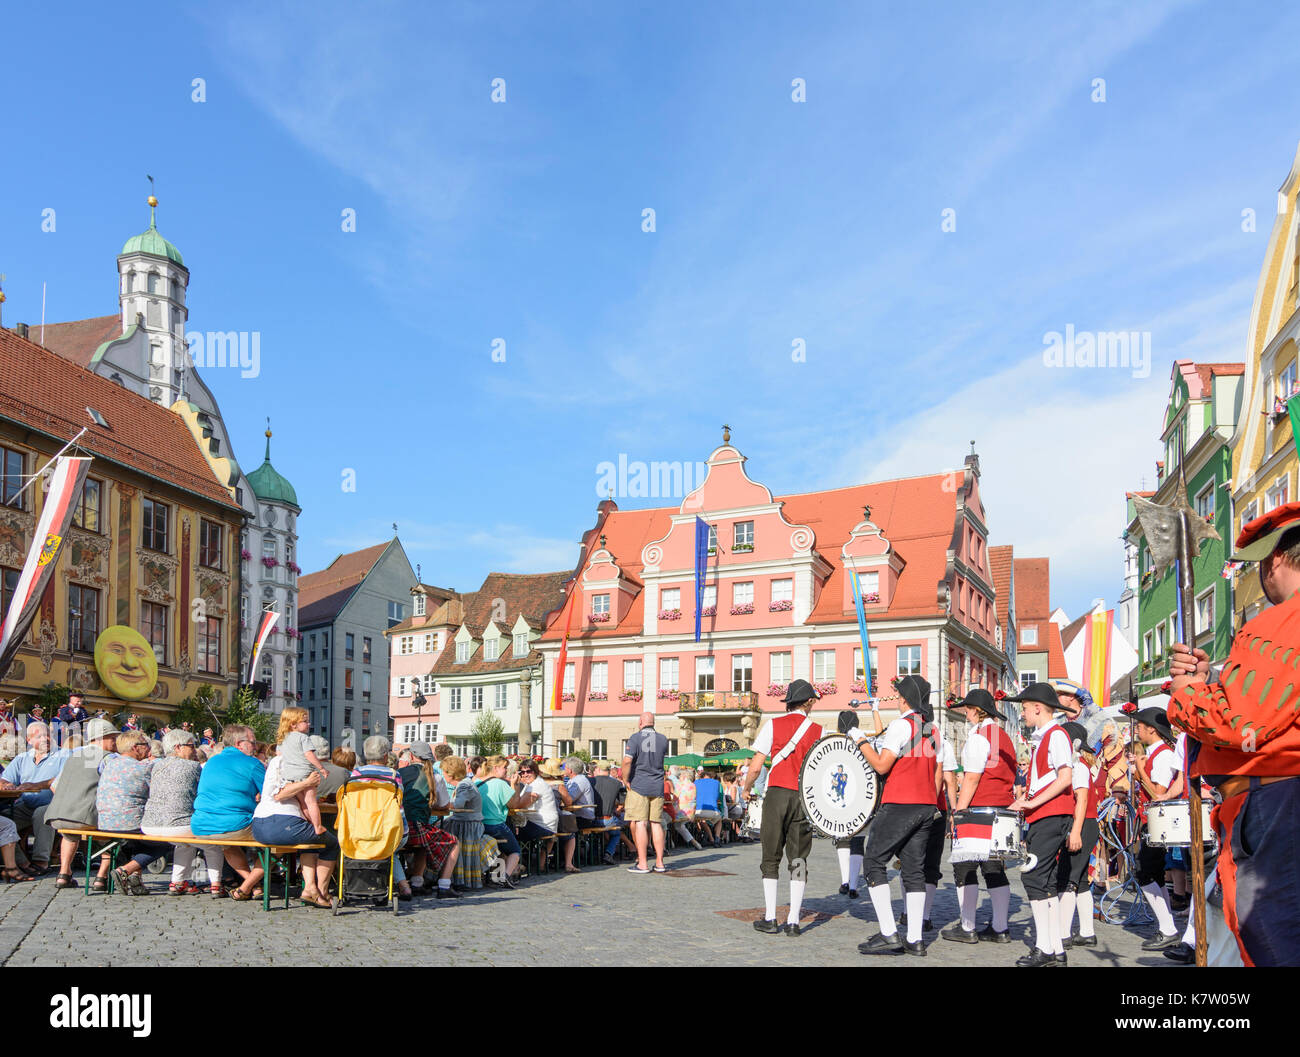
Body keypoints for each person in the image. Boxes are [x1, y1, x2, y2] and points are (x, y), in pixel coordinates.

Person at [1166, 504, 1300, 967]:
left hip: (1278, 802)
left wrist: (1187, 696)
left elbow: (1243, 723)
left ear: (1276, 560)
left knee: (1274, 940)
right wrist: (1211, 685)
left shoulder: (1281, 623)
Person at [846, 675, 941, 955]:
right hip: (926, 805)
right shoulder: (933, 729)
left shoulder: (902, 725)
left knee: (874, 861)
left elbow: (881, 765)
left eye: (899, 695)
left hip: (900, 802)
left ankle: (889, 933)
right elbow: (936, 771)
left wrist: (859, 738)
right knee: (914, 872)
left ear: (904, 699)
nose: (897, 699)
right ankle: (915, 939)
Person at [742, 678, 823, 937]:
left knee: (770, 855)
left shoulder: (773, 725)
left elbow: (756, 766)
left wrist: (746, 788)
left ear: (788, 702)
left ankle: (769, 917)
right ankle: (794, 921)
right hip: (803, 797)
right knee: (798, 858)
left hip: (777, 794)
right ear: (809, 701)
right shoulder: (819, 731)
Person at [1006, 682, 1075, 967]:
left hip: (1051, 815)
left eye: (1024, 709)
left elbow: (1065, 777)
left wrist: (1032, 803)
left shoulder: (1056, 735)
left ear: (1037, 708)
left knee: (1033, 877)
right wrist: (1026, 800)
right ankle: (1055, 949)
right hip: (1045, 815)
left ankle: (1044, 948)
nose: (1022, 714)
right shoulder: (1044, 737)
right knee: (1044, 881)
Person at [943, 688, 1016, 945]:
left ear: (975, 711)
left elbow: (972, 778)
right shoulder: (1003, 736)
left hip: (979, 810)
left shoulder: (979, 737)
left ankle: (967, 926)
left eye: (967, 709)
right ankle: (1000, 927)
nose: (965, 713)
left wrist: (958, 812)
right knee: (993, 868)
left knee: (964, 866)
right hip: (1001, 809)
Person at [1125, 705, 1184, 950]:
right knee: (1153, 872)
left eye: (1140, 725)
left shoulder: (1162, 755)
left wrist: (1139, 771)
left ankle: (1168, 927)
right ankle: (1166, 925)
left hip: (1157, 820)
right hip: (1150, 819)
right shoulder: (1155, 752)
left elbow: (1158, 793)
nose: (1137, 729)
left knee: (1145, 871)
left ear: (1152, 728)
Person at [141, 728, 226, 897]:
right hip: (178, 825)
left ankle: (177, 883)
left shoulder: (155, 765)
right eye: (191, 746)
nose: (195, 750)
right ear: (178, 747)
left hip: (149, 824)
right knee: (213, 845)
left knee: (184, 844)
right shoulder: (194, 766)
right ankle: (216, 884)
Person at [189, 724, 267, 901]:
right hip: (234, 825)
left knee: (228, 844)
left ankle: (252, 886)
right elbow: (271, 795)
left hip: (202, 826)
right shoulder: (253, 763)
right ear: (240, 743)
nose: (255, 747)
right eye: (253, 743)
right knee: (278, 843)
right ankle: (249, 885)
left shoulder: (212, 761)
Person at [252, 751, 336, 908]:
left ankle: (309, 888)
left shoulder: (275, 763)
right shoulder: (303, 769)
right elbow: (307, 803)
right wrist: (318, 826)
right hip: (285, 824)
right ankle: (322, 892)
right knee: (331, 843)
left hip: (258, 825)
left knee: (311, 841)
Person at [44, 717, 119, 891]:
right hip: (86, 819)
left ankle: (64, 873)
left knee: (69, 835)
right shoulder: (110, 758)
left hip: (58, 816)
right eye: (112, 737)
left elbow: (54, 786)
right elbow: (116, 789)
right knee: (114, 834)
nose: (116, 741)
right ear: (99, 739)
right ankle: (101, 878)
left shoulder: (74, 755)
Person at [95, 730, 161, 895]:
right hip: (128, 823)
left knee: (140, 837)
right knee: (167, 841)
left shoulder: (109, 764)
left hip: (104, 822)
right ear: (135, 748)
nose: (149, 749)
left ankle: (135, 878)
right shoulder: (143, 768)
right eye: (145, 745)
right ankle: (124, 870)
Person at [1057, 721, 1103, 949]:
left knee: (1067, 879)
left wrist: (1075, 831)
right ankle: (1086, 932)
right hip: (1087, 823)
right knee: (1081, 880)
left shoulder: (1079, 766)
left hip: (1083, 824)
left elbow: (1082, 798)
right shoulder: (1079, 764)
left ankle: (1063, 933)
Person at [0, 720, 69, 872]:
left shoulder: (63, 755)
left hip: (54, 804)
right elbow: (4, 778)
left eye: (48, 735)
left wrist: (36, 785)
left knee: (41, 813)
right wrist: (6, 785)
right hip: (25, 805)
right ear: (29, 740)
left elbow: (61, 779)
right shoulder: (22, 758)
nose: (46, 739)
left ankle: (41, 861)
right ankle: (22, 863)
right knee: (4, 820)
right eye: (40, 736)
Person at [398, 741, 460, 898]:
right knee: (454, 842)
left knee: (423, 841)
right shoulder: (435, 777)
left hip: (398, 830)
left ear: (411, 756)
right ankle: (444, 886)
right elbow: (444, 804)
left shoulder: (399, 774)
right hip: (419, 828)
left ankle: (417, 882)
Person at [621, 712, 670, 874]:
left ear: (641, 722)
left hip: (639, 785)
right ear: (653, 722)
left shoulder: (635, 738)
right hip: (657, 785)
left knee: (641, 822)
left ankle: (642, 863)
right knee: (656, 823)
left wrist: (625, 779)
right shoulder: (663, 739)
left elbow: (627, 761)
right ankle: (660, 862)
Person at [273, 707, 328, 835]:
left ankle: (310, 823)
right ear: (293, 724)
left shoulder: (282, 739)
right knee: (311, 801)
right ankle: (318, 826)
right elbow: (309, 754)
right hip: (305, 774)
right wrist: (321, 768)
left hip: (290, 777)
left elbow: (279, 755)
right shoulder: (303, 738)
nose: (308, 724)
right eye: (305, 721)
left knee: (303, 803)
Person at [443, 755, 494, 890]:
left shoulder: (464, 785)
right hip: (467, 823)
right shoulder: (466, 783)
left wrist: (440, 804)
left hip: (467, 825)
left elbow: (458, 805)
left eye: (444, 772)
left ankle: (456, 881)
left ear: (450, 773)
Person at [478, 755, 527, 886]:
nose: (506, 771)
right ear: (496, 768)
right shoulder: (500, 784)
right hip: (495, 824)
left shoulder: (477, 782)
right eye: (505, 768)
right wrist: (515, 785)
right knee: (515, 850)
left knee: (501, 847)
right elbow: (514, 805)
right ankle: (505, 876)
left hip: (479, 825)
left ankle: (495, 875)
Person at [590, 761, 632, 864]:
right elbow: (623, 802)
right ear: (609, 770)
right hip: (608, 819)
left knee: (594, 834)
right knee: (616, 833)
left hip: (592, 820)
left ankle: (593, 856)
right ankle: (608, 853)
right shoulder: (617, 783)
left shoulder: (591, 781)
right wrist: (617, 808)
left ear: (598, 769)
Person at [692, 768, 725, 846]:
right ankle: (717, 838)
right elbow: (719, 798)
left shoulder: (696, 782)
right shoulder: (716, 783)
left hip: (698, 811)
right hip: (713, 811)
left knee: (702, 820)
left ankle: (711, 839)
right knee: (719, 820)